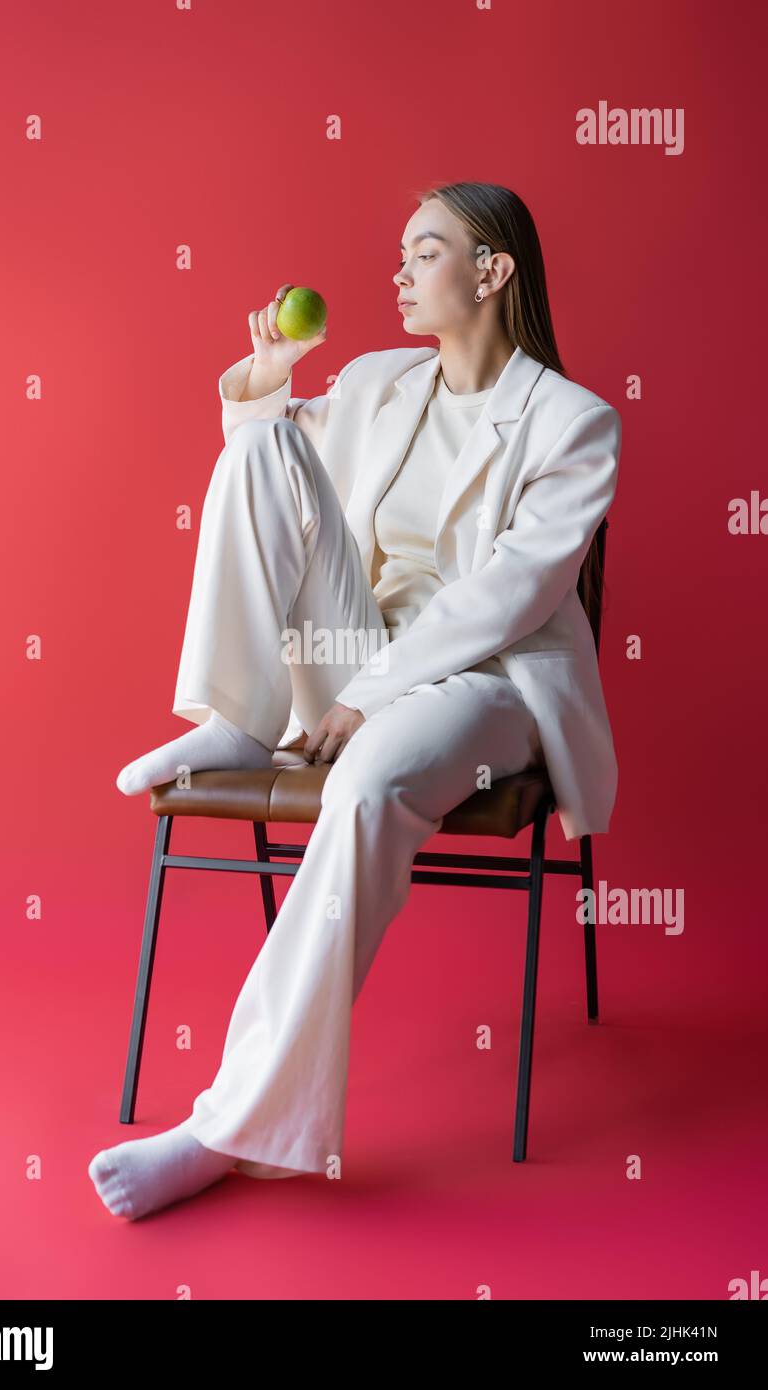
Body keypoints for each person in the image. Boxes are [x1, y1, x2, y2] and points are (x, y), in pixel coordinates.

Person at [88, 181, 622, 1220]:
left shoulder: (571, 421)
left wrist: (375, 698)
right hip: (350, 651)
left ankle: (232, 1125)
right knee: (265, 443)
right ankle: (238, 713)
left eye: (424, 252)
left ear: (490, 270)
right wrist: (259, 384)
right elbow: (269, 478)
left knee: (368, 780)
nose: (397, 271)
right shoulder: (380, 381)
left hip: (486, 683)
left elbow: (509, 593)